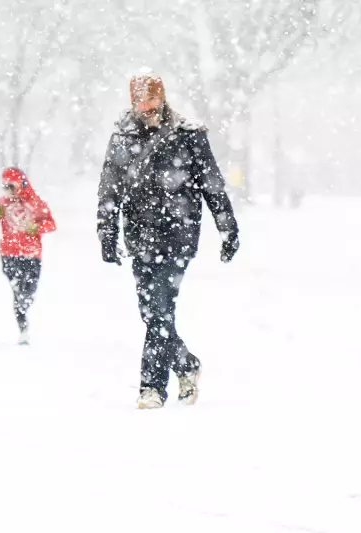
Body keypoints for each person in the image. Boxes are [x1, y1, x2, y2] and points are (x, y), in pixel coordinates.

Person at [96, 70, 239, 409]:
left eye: (153, 102)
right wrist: (107, 231)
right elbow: (109, 188)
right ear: (133, 103)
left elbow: (212, 183)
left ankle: (152, 388)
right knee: (151, 312)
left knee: (160, 308)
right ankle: (187, 365)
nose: (148, 109)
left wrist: (227, 227)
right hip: (140, 236)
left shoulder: (188, 135)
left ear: (163, 98)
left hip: (178, 233)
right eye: (141, 103)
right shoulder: (122, 137)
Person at [0, 167, 56, 345]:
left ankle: (24, 306)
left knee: (29, 289)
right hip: (9, 254)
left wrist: (36, 228)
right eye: (5, 187)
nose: (9, 191)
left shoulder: (35, 203)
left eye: (12, 186)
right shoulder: (2, 204)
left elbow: (51, 224)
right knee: (17, 290)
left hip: (32, 254)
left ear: (21, 185)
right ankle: (22, 324)